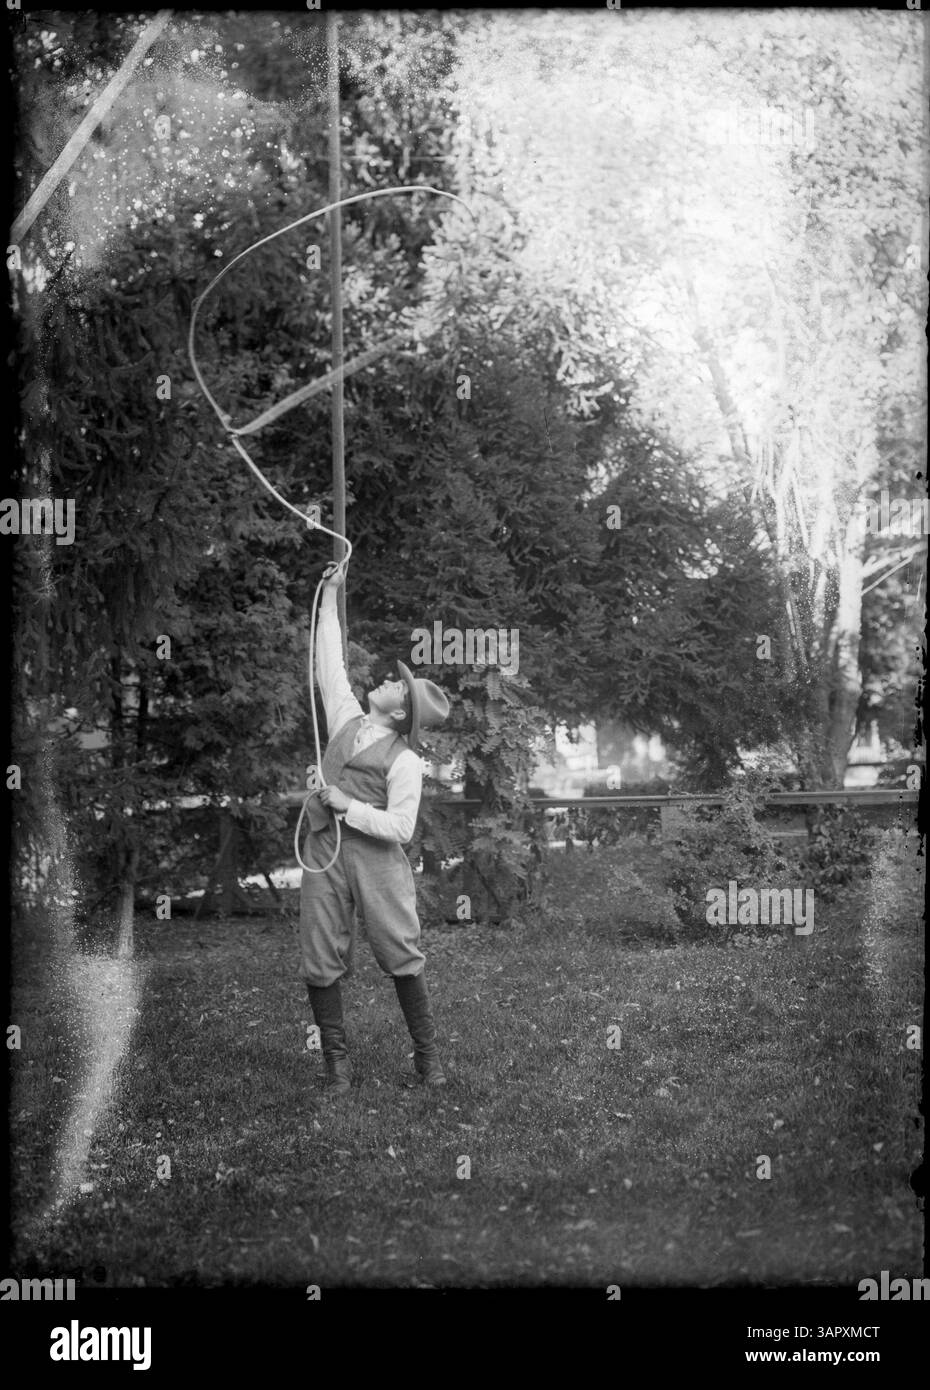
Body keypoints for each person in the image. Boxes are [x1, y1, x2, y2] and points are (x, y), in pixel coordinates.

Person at [299, 563, 451, 1097]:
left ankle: (429, 1061)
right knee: (320, 958)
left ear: (401, 709)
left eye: (396, 684)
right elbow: (327, 663)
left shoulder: (405, 761)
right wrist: (331, 596)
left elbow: (403, 828)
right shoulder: (343, 717)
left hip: (378, 859)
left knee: (400, 953)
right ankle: (337, 1069)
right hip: (324, 852)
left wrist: (345, 805)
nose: (387, 679)